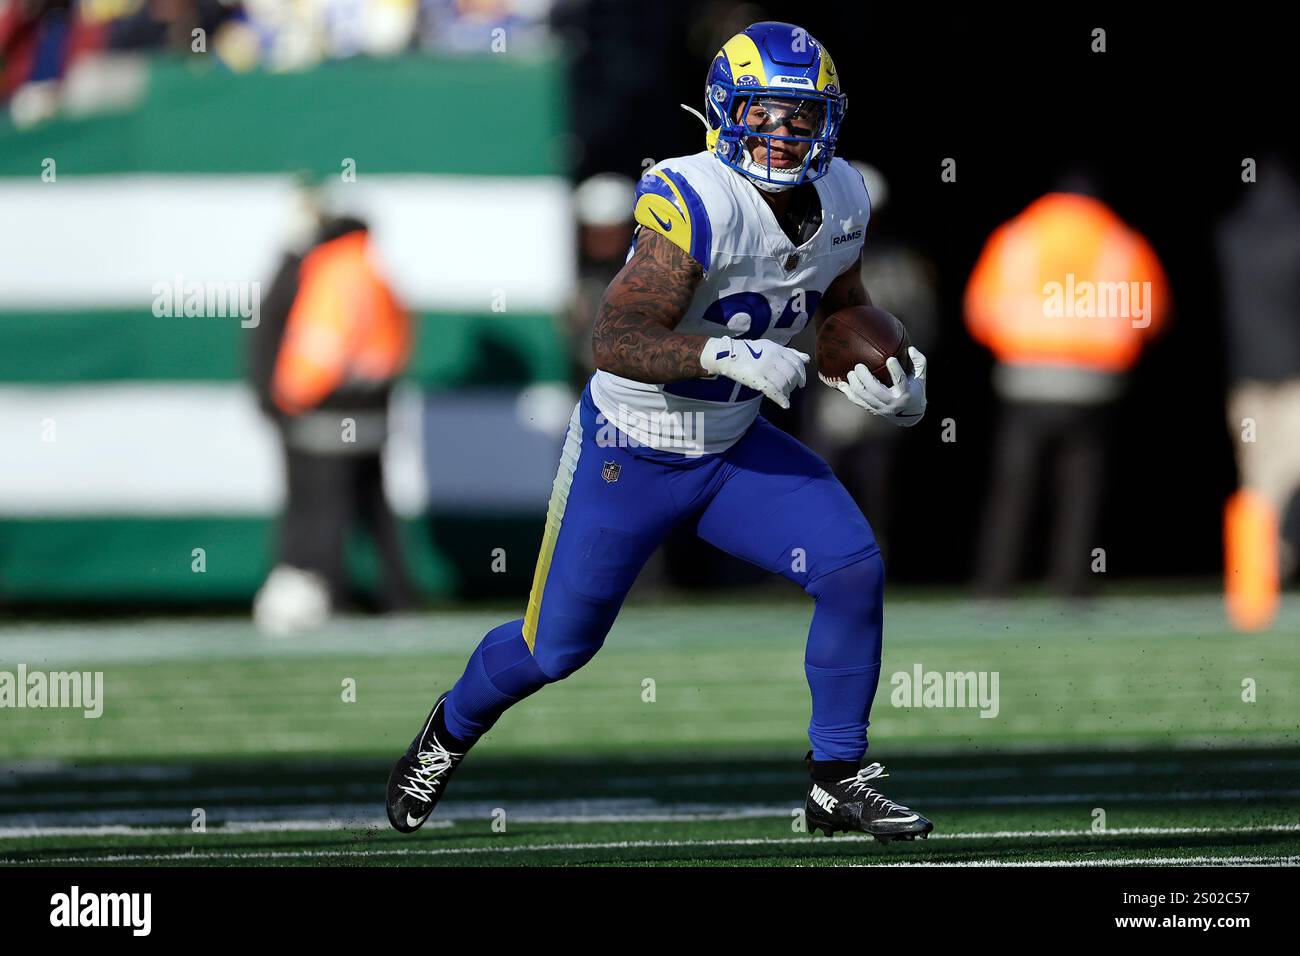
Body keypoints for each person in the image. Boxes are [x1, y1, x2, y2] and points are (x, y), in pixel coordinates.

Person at [385, 21, 933, 842]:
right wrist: (721, 350)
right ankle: (445, 736)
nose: (783, 136)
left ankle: (836, 781)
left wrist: (884, 373)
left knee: (851, 570)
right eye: (765, 113)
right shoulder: (695, 198)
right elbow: (616, 337)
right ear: (724, 111)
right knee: (553, 652)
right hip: (630, 451)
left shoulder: (844, 196)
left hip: (733, 444)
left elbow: (838, 304)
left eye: (800, 117)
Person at [965, 179, 1169, 598]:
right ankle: (1073, 586)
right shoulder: (1120, 241)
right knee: (1082, 486)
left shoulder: (1016, 238)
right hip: (1094, 384)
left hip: (1025, 378)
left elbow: (980, 312)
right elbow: (1152, 314)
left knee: (1013, 487)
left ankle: (994, 586)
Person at [250, 199, 417, 634]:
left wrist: (285, 400)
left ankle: (328, 599)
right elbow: (395, 346)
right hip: (371, 418)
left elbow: (318, 349)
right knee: (375, 511)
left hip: (324, 420)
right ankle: (398, 599)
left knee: (320, 511)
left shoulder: (332, 273)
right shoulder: (375, 274)